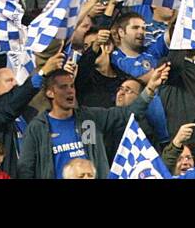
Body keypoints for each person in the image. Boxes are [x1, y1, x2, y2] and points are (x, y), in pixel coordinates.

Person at [17, 65, 164, 179]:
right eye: (63, 87)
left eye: (72, 86)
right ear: (50, 93)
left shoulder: (91, 118)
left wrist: (150, 88)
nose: (70, 91)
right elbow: (25, 170)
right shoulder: (37, 128)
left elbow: (127, 114)